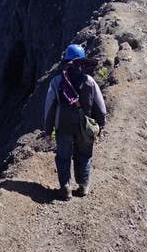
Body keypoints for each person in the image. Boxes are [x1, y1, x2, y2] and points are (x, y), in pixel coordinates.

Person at [44, 44, 107, 200]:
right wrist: (100, 126)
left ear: (66, 61)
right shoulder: (90, 82)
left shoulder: (56, 82)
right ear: (82, 62)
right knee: (84, 155)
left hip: (63, 126)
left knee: (63, 157)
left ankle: (65, 188)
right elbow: (101, 108)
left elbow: (49, 108)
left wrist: (48, 131)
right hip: (84, 128)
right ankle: (83, 186)